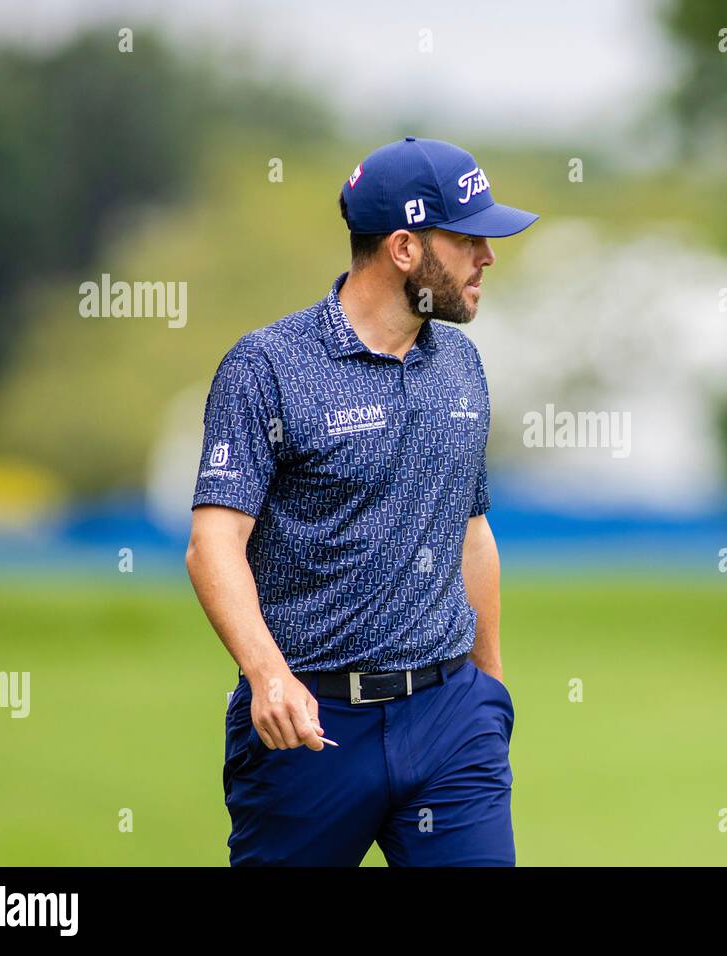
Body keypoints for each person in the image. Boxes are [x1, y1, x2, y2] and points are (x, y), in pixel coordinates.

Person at [185, 136, 538, 866]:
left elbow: (471, 530)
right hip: (310, 725)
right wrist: (267, 677)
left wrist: (491, 689)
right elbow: (213, 544)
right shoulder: (267, 367)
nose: (488, 258)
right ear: (405, 248)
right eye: (470, 239)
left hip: (450, 720)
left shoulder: (463, 365)